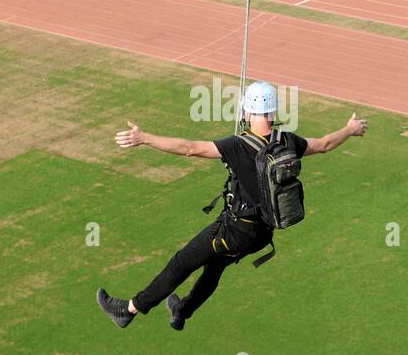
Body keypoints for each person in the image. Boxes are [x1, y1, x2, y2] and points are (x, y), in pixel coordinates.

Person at [96, 81, 368, 331]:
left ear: (247, 111)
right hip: (263, 234)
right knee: (214, 267)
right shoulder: (288, 141)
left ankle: (129, 309)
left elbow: (190, 148)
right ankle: (182, 310)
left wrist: (145, 138)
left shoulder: (237, 145)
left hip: (235, 231)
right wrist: (351, 129)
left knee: (182, 262)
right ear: (273, 113)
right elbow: (324, 144)